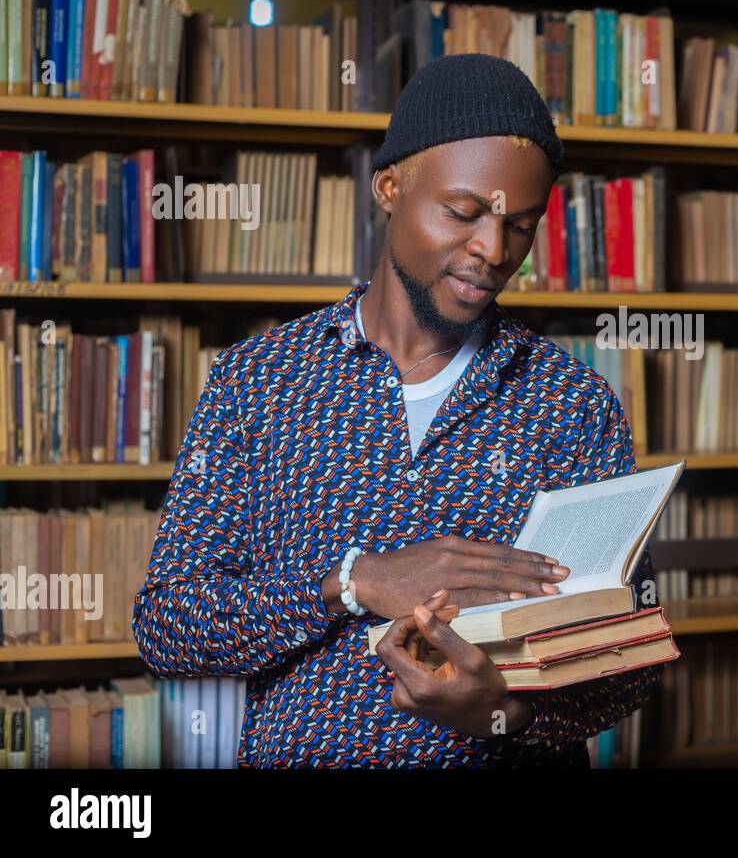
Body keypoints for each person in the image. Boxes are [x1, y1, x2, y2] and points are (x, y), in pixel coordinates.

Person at [133, 53, 659, 767]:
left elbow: (626, 660)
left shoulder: (573, 406)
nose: (491, 250)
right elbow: (169, 628)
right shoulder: (258, 381)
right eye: (464, 212)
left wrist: (500, 712)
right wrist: (352, 581)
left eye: (521, 226)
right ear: (389, 186)